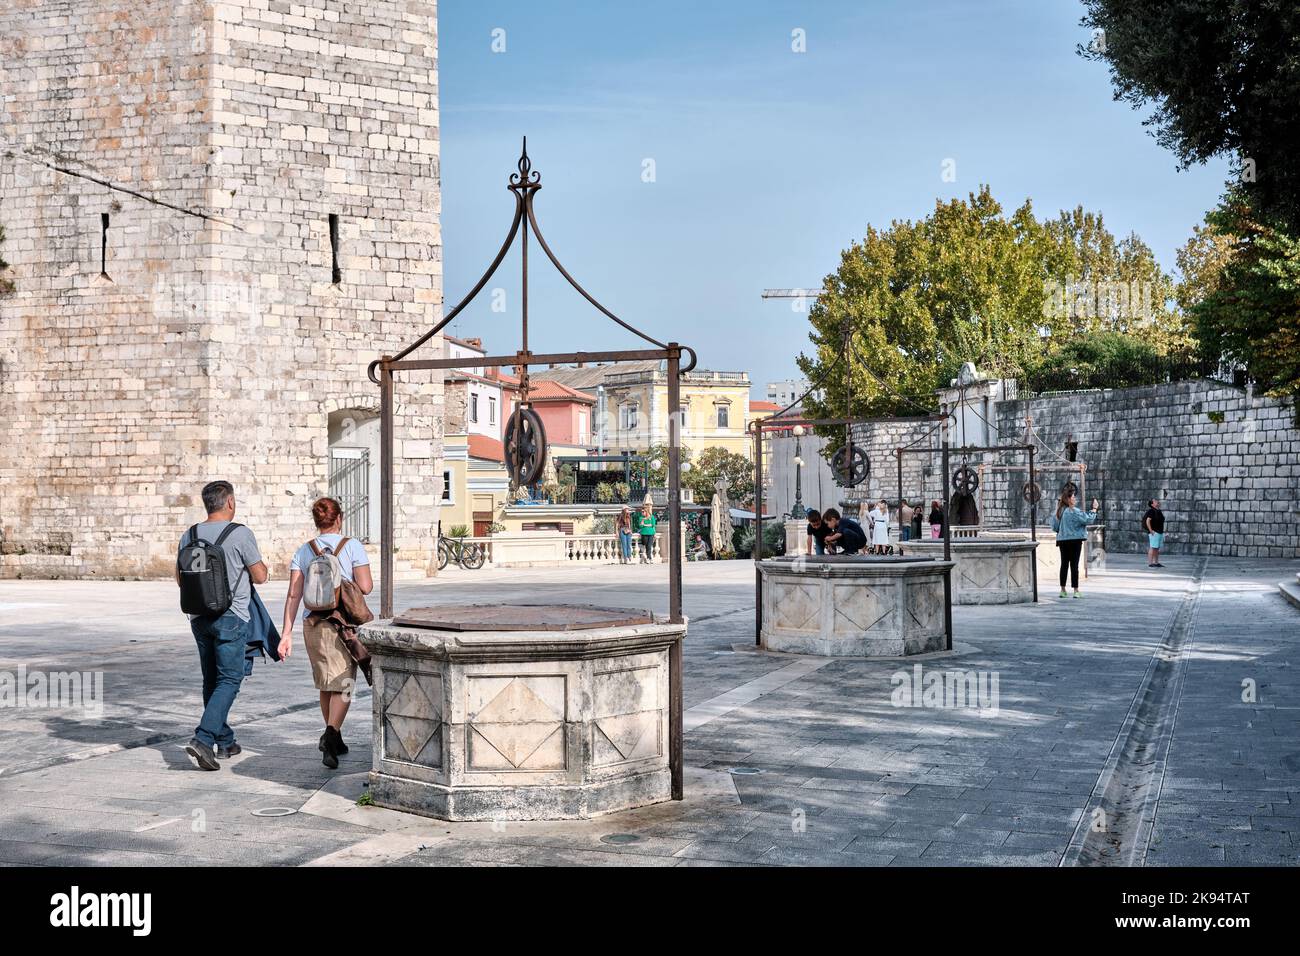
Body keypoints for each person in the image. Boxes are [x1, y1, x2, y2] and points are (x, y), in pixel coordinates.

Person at [177, 481, 268, 771]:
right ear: (229, 502)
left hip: (198, 617)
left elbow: (180, 579)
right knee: (230, 679)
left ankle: (225, 740)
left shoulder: (188, 535)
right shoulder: (240, 534)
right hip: (231, 616)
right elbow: (260, 576)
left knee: (211, 680)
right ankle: (203, 739)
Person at [280, 497, 373, 769]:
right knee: (344, 683)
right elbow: (366, 587)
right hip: (341, 624)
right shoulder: (352, 546)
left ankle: (336, 735)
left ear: (317, 521)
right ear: (339, 518)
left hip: (314, 625)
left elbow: (294, 594)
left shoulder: (303, 551)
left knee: (325, 682)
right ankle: (330, 736)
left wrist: (286, 633)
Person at [1050, 490, 1099, 599]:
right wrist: (1094, 508)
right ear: (1068, 500)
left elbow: (1054, 527)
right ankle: (1076, 590)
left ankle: (1062, 590)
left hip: (1062, 541)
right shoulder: (1075, 511)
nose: (1075, 499)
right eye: (1073, 497)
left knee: (1064, 565)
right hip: (1075, 541)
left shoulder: (1059, 512)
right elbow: (1088, 519)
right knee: (1074, 565)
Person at [1143, 498, 1166, 568]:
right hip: (1154, 532)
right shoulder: (1151, 511)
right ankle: (1150, 563)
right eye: (1155, 501)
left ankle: (1156, 562)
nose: (1157, 502)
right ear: (1152, 504)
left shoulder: (1158, 511)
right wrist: (1151, 531)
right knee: (1152, 547)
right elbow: (1147, 521)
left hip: (1159, 532)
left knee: (1156, 548)